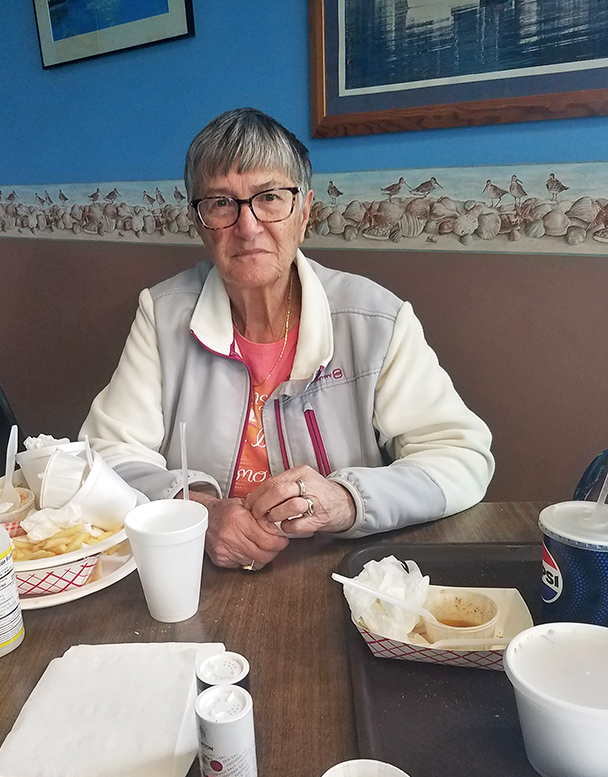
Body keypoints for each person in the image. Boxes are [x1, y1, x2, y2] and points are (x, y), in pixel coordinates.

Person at [81, 108, 494, 571]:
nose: (248, 225)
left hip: (346, 571)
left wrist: (345, 499)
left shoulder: (375, 319)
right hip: (199, 571)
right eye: (221, 203)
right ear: (199, 222)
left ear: (304, 211)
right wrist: (196, 511)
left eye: (270, 197)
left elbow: (460, 457)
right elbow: (105, 458)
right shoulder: (163, 315)